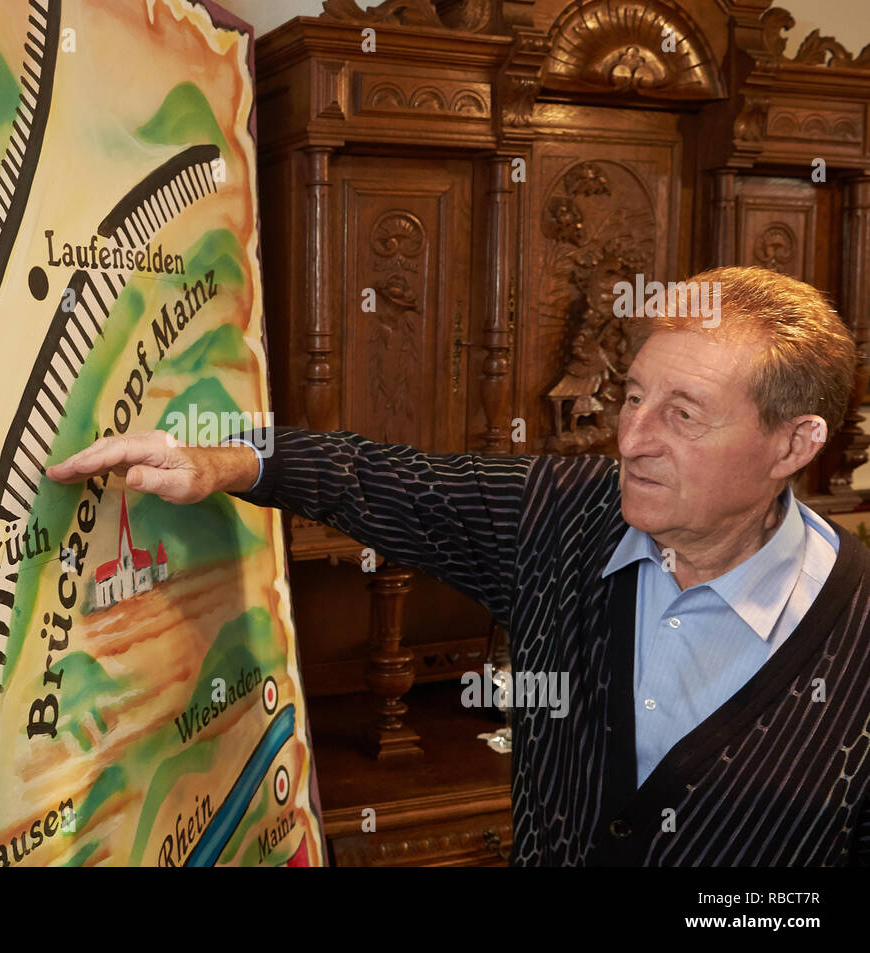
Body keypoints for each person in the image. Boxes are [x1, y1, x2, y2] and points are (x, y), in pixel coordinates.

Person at [46, 266, 870, 866]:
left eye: (682, 415)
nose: (630, 439)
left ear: (794, 443)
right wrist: (222, 461)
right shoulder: (563, 512)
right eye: (632, 398)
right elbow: (384, 479)